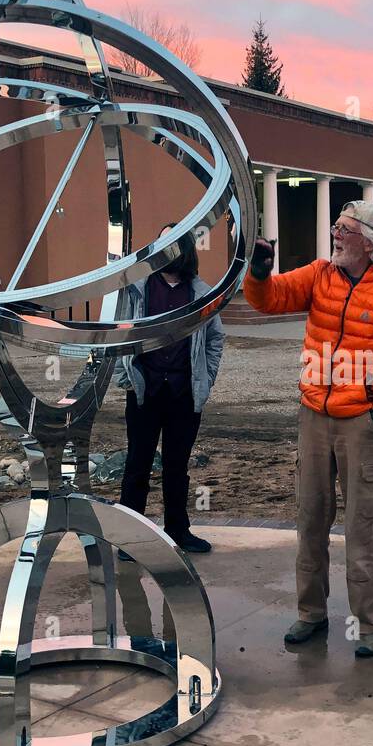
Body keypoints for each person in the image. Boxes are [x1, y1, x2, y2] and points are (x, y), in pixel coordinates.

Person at [244, 200, 373, 659]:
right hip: (314, 419)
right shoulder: (319, 275)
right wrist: (260, 274)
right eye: (336, 227)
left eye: (343, 229)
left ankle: (368, 625)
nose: (334, 235)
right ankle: (311, 613)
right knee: (310, 520)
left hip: (361, 425)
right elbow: (269, 300)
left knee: (361, 528)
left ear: (369, 244)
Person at [115, 224, 223, 554]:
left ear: (186, 248)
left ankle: (178, 531)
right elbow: (119, 332)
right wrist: (127, 377)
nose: (167, 249)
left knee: (177, 467)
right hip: (145, 393)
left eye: (174, 243)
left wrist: (205, 380)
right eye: (162, 242)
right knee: (137, 465)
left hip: (183, 395)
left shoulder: (201, 293)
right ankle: (131, 538)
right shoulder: (138, 288)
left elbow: (216, 338)